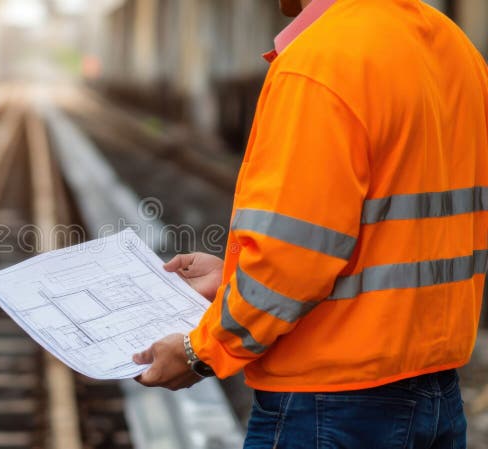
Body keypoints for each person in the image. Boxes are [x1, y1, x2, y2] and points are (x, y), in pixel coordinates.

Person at [132, 0, 488, 447]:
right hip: (436, 397)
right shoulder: (455, 48)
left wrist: (200, 351)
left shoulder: (320, 61)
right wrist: (233, 279)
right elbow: (397, 237)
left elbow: (291, 258)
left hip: (330, 408)